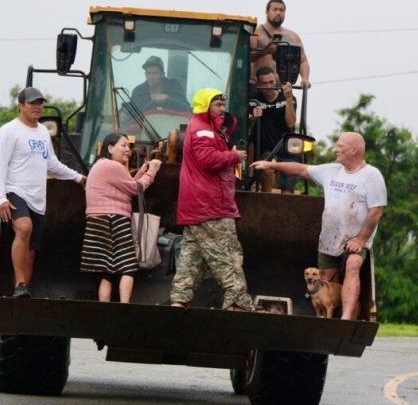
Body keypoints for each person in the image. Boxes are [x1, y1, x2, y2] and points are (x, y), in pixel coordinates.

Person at [251, 132, 386, 320]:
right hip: (329, 240)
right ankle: (327, 320)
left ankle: (346, 318)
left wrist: (362, 239)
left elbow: (376, 211)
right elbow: (300, 169)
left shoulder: (372, 175)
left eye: (340, 146)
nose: (335, 149)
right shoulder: (332, 170)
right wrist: (271, 165)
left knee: (353, 265)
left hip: (355, 240)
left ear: (354, 149)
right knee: (327, 281)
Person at [0, 87, 87, 298]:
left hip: (37, 197)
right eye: (33, 103)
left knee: (31, 253)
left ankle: (24, 293)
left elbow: (52, 164)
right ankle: (19, 285)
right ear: (21, 106)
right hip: (15, 191)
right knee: (24, 228)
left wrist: (78, 178)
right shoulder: (8, 131)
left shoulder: (43, 132)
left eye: (40, 103)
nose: (38, 107)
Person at [170, 88, 254, 311]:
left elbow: (212, 149)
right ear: (205, 106)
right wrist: (235, 156)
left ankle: (180, 299)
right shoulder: (202, 130)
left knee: (192, 256)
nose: (222, 108)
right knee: (227, 254)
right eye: (217, 104)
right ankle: (237, 303)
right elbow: (208, 160)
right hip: (210, 204)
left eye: (223, 104)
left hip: (200, 204)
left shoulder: (205, 128)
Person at [80, 133, 162, 303]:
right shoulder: (112, 166)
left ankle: (105, 308)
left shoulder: (101, 166)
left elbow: (125, 185)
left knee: (106, 271)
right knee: (128, 268)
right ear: (110, 148)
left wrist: (141, 172)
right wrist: (152, 172)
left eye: (128, 146)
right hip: (114, 219)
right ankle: (124, 307)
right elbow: (135, 189)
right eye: (123, 145)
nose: (128, 150)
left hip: (97, 220)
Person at [249, 66, 297, 193]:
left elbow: (291, 123)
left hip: (287, 149)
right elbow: (247, 129)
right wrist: (253, 117)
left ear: (275, 80)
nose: (269, 86)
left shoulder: (288, 97)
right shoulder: (254, 99)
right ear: (258, 84)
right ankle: (266, 199)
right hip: (267, 150)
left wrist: (288, 98)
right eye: (265, 83)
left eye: (271, 82)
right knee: (267, 168)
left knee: (287, 192)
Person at [250, 0, 311, 89]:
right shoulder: (255, 34)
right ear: (267, 12)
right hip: (259, 89)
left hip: (283, 90)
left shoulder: (293, 37)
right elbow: (247, 58)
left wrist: (305, 79)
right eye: (275, 10)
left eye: (281, 10)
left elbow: (303, 61)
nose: (278, 13)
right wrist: (266, 51)